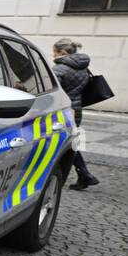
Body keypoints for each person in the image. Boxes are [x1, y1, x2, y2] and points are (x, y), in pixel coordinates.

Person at [52, 38, 99, 190]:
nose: (53, 55)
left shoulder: (59, 69)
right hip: (76, 110)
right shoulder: (83, 68)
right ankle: (84, 175)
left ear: (61, 52)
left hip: (62, 109)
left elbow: (52, 90)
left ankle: (85, 175)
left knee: (68, 144)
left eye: (55, 51)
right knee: (71, 142)